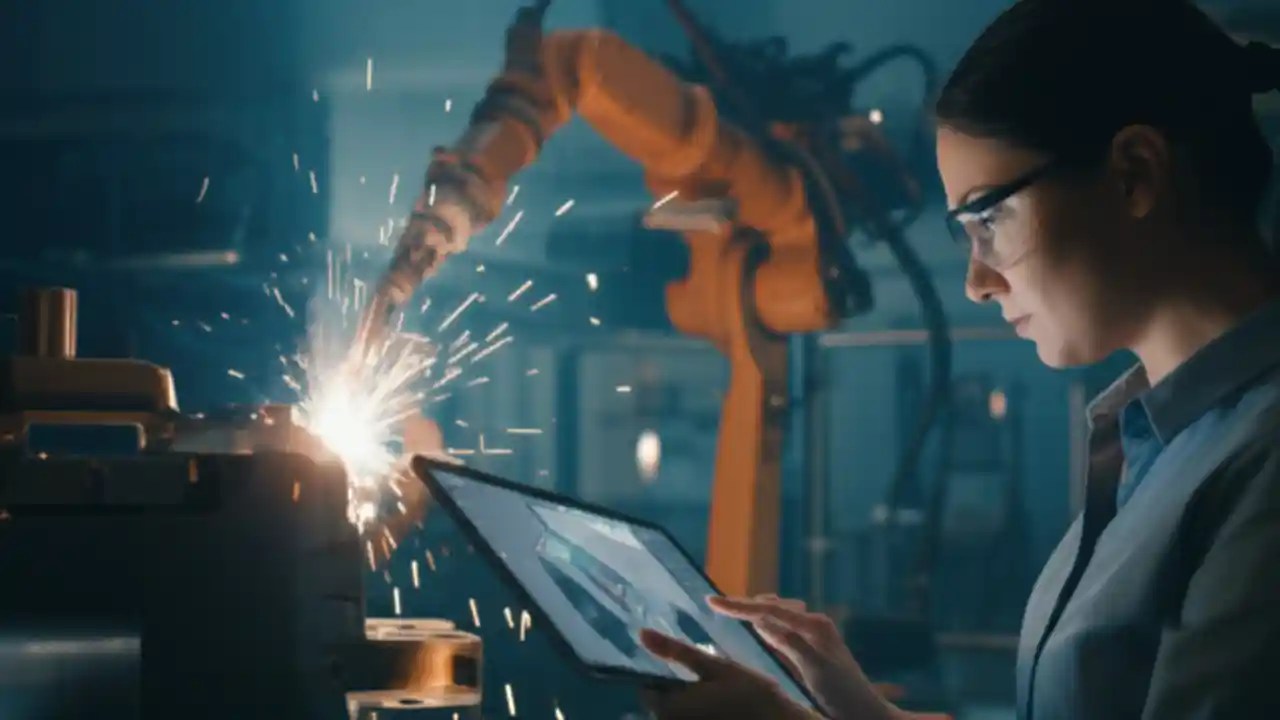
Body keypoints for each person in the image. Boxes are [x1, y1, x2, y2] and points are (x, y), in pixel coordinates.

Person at [639, 1, 1280, 718]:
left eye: (989, 217)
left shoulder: (1262, 462)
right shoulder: (1150, 443)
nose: (977, 282)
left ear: (1133, 174)